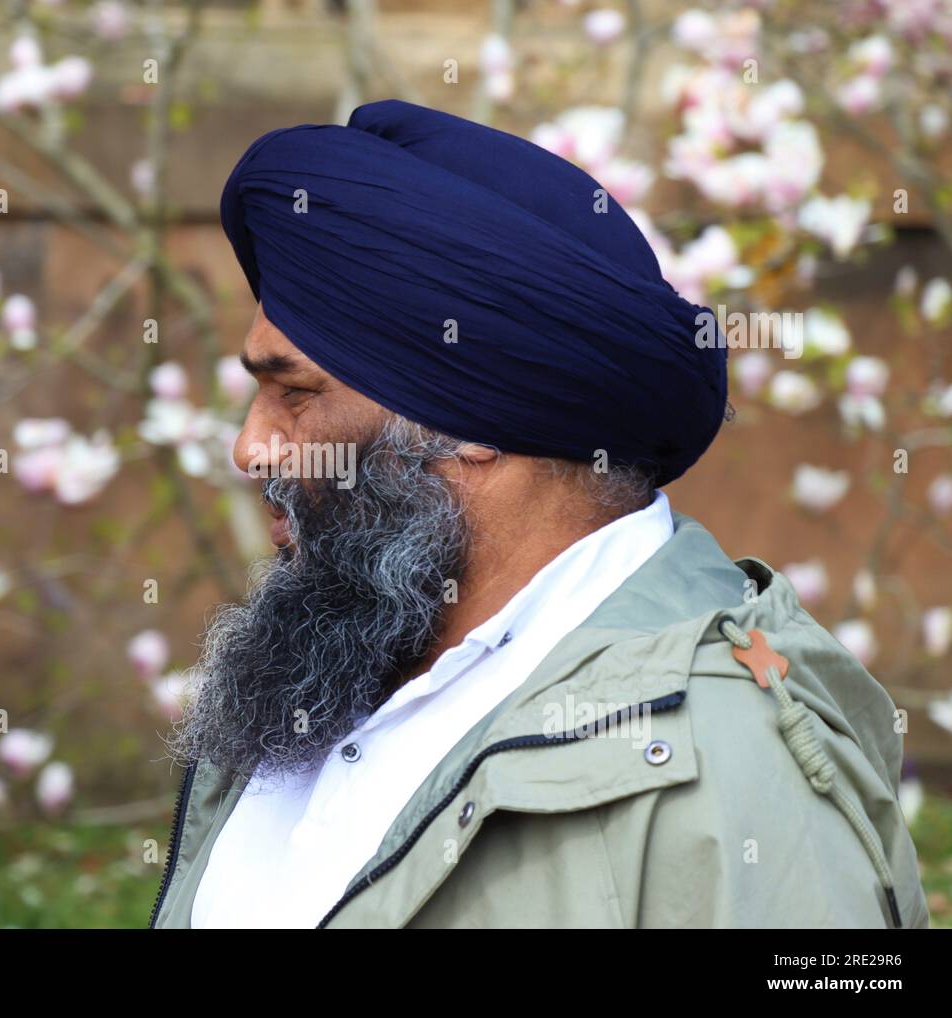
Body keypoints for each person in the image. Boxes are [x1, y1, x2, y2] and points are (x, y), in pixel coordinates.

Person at [148, 99, 929, 929]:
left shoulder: (728, 767)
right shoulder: (317, 668)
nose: (250, 448)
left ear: (468, 427)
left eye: (293, 394)